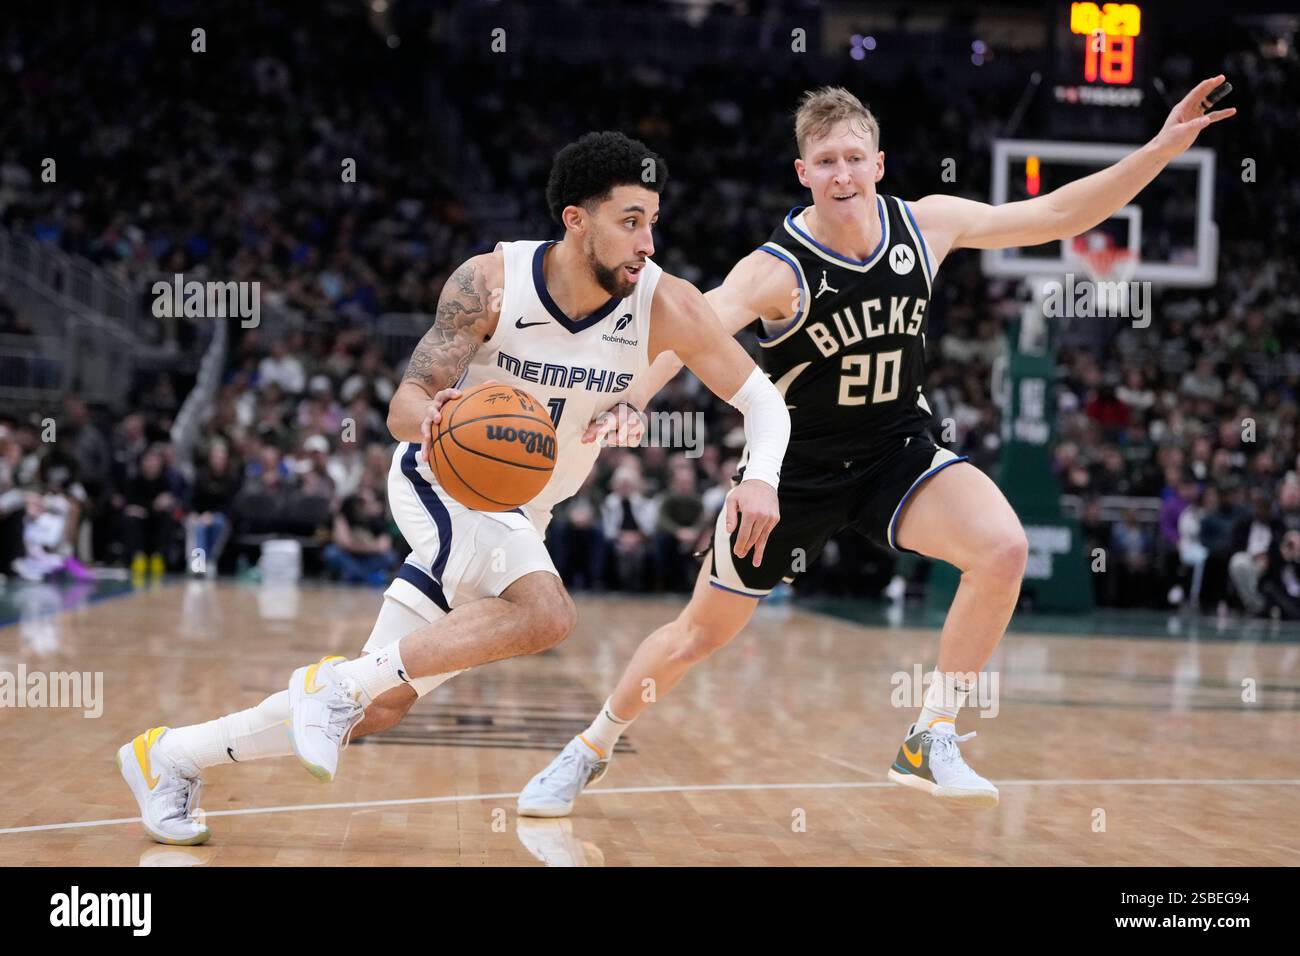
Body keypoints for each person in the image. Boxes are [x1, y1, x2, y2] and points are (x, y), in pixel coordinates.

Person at [518, 76, 1236, 816]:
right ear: (804, 174)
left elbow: (1056, 213)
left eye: (854, 158)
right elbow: (691, 330)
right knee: (696, 635)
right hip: (795, 472)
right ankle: (590, 748)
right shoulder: (776, 269)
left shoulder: (928, 224)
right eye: (825, 161)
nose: (842, 174)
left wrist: (1160, 148)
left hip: (898, 451)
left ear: (879, 164)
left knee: (1003, 549)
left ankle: (931, 735)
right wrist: (633, 396)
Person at [117, 131, 791, 845]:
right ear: (576, 220)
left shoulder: (666, 303)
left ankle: (170, 757)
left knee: (384, 704)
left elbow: (762, 402)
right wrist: (435, 414)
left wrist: (760, 478)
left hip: (525, 510)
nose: (647, 240)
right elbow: (403, 407)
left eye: (653, 220)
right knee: (548, 614)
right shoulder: (490, 283)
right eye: (630, 220)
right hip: (443, 478)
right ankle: (334, 688)